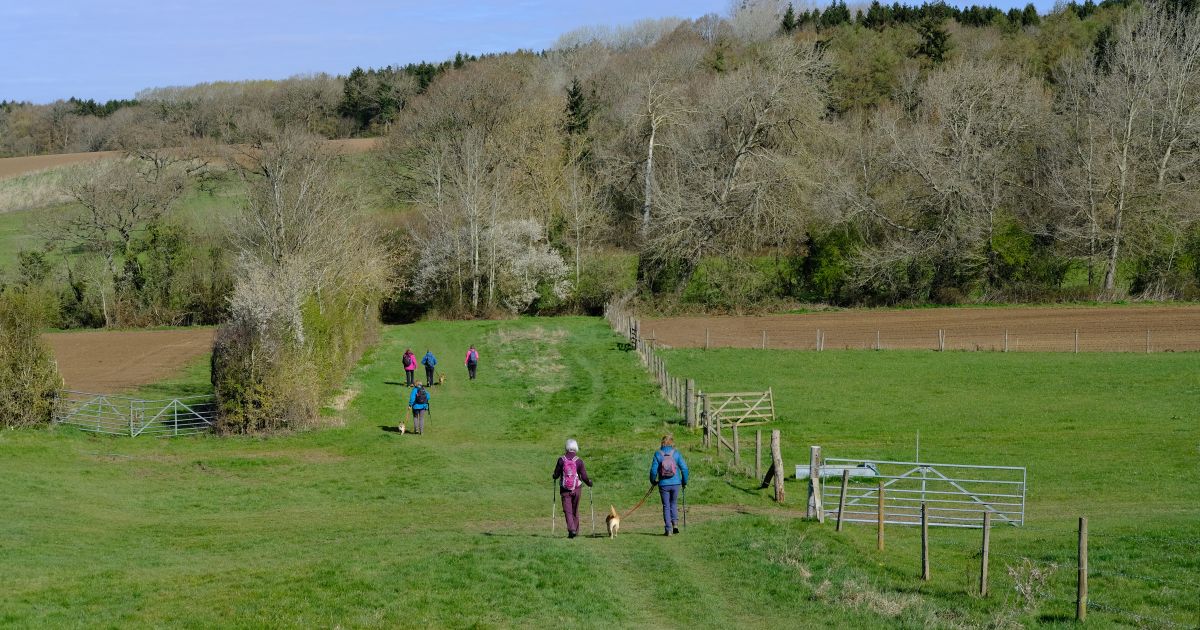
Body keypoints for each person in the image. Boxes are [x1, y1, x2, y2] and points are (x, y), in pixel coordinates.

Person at [552, 438, 593, 539]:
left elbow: (556, 475)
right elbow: (584, 476)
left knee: (568, 511)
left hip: (565, 490)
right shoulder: (578, 461)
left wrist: (554, 476)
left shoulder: (561, 460)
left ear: (566, 447)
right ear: (575, 447)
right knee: (575, 510)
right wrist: (589, 483)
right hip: (577, 489)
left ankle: (572, 530)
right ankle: (576, 531)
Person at [649, 434, 689, 536]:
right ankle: (675, 524)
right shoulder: (676, 453)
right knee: (674, 504)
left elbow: (653, 470)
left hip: (663, 484)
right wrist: (684, 481)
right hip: (676, 483)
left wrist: (653, 481)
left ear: (662, 443)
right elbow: (684, 468)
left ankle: (668, 529)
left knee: (666, 506)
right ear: (672, 443)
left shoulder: (658, 454)